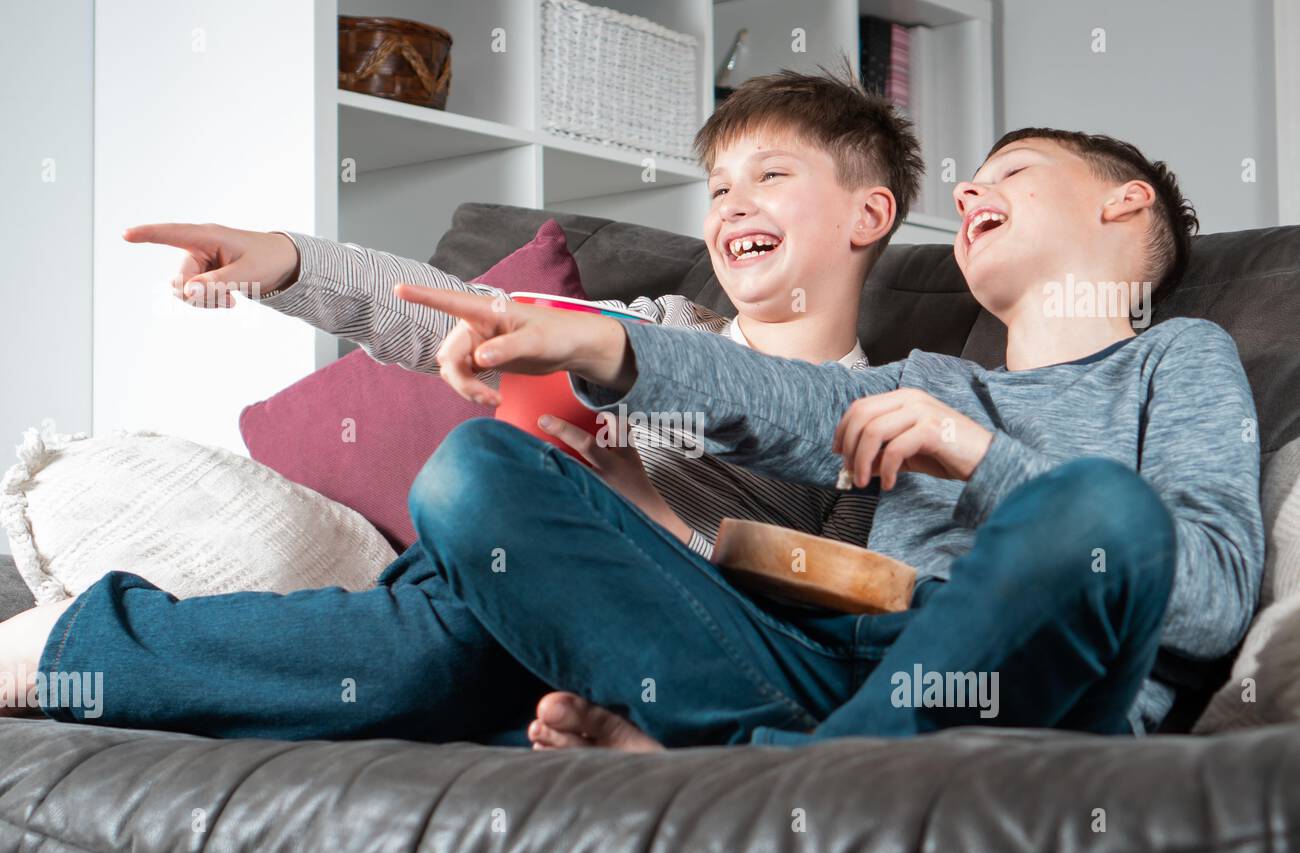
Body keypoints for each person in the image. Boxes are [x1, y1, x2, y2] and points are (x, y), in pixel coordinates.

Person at [0, 70, 922, 743]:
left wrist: (657, 516)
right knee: (436, 649)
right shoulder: (656, 326)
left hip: (646, 630)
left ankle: (88, 651)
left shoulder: (884, 414)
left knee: (452, 676)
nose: (730, 206)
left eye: (769, 177)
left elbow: (849, 608)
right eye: (718, 188)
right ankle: (63, 649)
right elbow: (446, 309)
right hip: (494, 571)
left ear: (867, 215)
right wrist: (284, 260)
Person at [407, 128, 1265, 749]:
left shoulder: (1179, 355)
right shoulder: (924, 378)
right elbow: (775, 402)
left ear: (1126, 201)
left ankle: (773, 776)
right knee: (473, 474)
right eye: (969, 185)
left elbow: (1214, 596)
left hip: (1007, 684)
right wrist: (594, 342)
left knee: (1098, 508)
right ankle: (785, 770)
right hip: (817, 656)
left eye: (1011, 170)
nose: (966, 193)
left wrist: (976, 455)